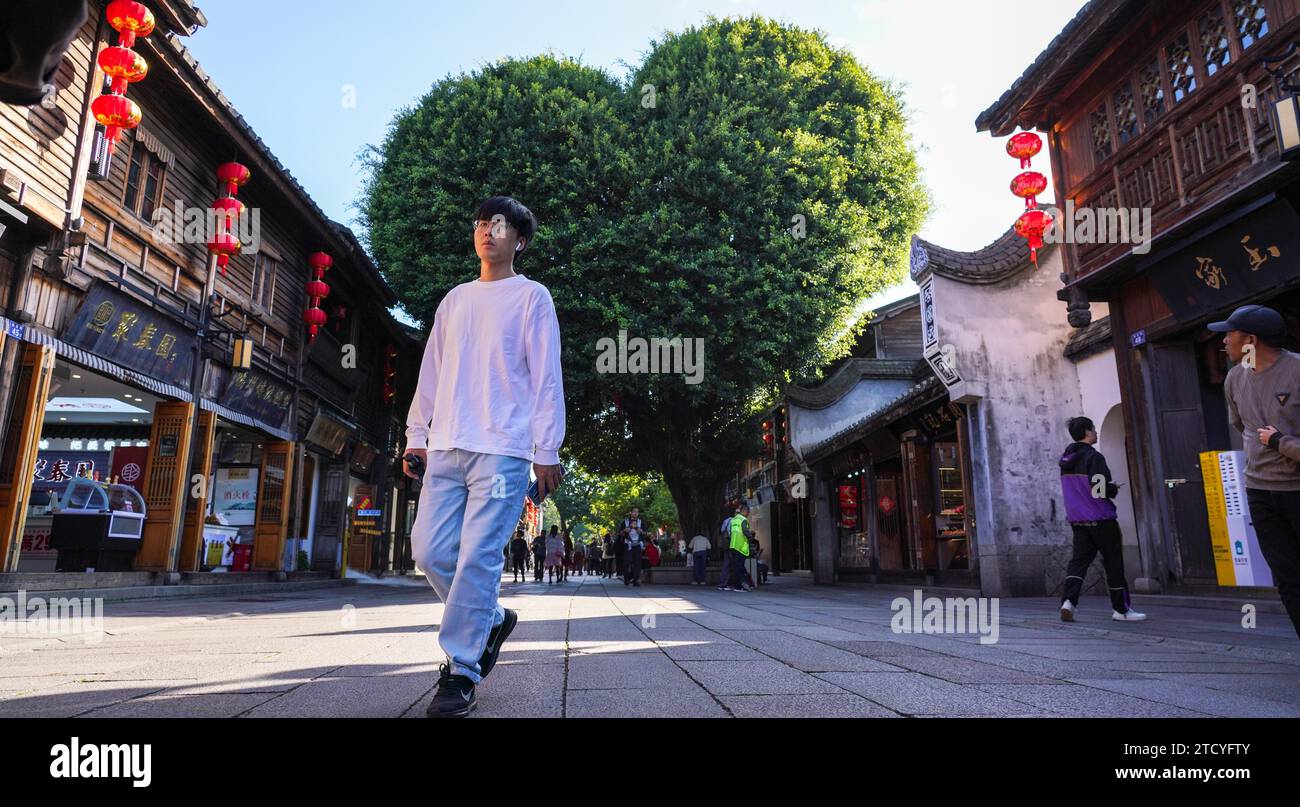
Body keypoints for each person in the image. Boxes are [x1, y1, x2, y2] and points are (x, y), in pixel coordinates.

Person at [403, 196, 566, 718]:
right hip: (446, 445)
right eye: (481, 223)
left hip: (503, 450)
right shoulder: (455, 300)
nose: (488, 231)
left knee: (478, 556)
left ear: (520, 240)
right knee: (428, 551)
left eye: (499, 224)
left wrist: (547, 449)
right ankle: (491, 618)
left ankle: (461, 671)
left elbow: (546, 376)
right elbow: (431, 371)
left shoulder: (532, 297)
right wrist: (416, 434)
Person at [1212, 304, 1300, 639]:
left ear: (1250, 340)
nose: (1224, 341)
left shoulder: (1296, 371)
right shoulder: (1235, 378)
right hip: (1260, 491)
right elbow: (1243, 426)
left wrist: (1281, 443)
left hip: (1297, 488)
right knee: (1288, 578)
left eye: (1229, 334)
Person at [1057, 416, 1146, 623]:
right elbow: (1099, 490)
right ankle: (1121, 609)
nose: (1096, 432)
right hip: (1101, 517)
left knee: (1078, 562)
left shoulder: (1066, 460)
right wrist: (1113, 488)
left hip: (1078, 519)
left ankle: (1068, 602)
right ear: (1087, 432)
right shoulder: (1093, 457)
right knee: (1113, 562)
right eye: (1094, 429)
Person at [722, 503, 754, 592]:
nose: (748, 514)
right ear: (745, 511)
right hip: (741, 547)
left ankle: (741, 585)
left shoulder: (733, 520)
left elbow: (730, 532)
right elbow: (745, 531)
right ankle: (739, 586)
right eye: (748, 512)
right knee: (739, 567)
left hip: (733, 546)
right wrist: (751, 537)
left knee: (737, 567)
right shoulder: (743, 520)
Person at [620, 507, 649, 587]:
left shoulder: (641, 522)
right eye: (634, 512)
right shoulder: (625, 521)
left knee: (637, 563)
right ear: (631, 513)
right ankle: (626, 579)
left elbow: (645, 533)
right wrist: (625, 530)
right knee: (626, 562)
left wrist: (639, 529)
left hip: (638, 544)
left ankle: (635, 580)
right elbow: (620, 533)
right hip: (628, 544)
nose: (635, 513)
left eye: (637, 512)